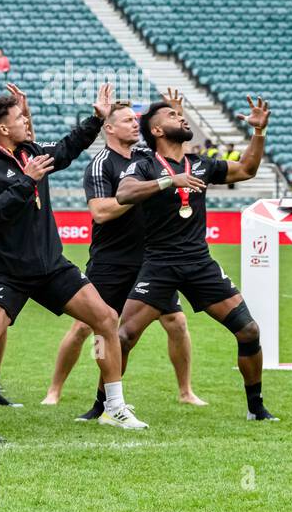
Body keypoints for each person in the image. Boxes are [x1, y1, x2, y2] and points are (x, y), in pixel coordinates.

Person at [0, 82, 147, 430]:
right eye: (20, 117)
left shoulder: (31, 152)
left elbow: (66, 149)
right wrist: (25, 180)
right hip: (8, 272)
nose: (26, 121)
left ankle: (114, 407)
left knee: (107, 319)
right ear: (3, 129)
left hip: (51, 266)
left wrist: (96, 119)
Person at [115, 92, 276, 422]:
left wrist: (258, 133)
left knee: (249, 332)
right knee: (124, 337)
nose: (182, 118)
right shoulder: (143, 164)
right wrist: (168, 181)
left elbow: (246, 169)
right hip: (159, 263)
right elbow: (124, 193)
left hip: (200, 263)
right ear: (157, 131)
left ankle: (256, 409)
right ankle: (107, 405)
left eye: (181, 115)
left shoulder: (201, 164)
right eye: (173, 117)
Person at [42, 100, 203, 413]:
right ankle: (55, 389)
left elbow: (184, 157)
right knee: (84, 327)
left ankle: (186, 391)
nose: (135, 124)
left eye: (136, 120)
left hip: (152, 258)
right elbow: (100, 212)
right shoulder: (102, 163)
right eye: (128, 120)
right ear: (109, 128)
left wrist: (178, 117)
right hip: (111, 260)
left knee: (176, 322)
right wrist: (145, 191)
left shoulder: (147, 157)